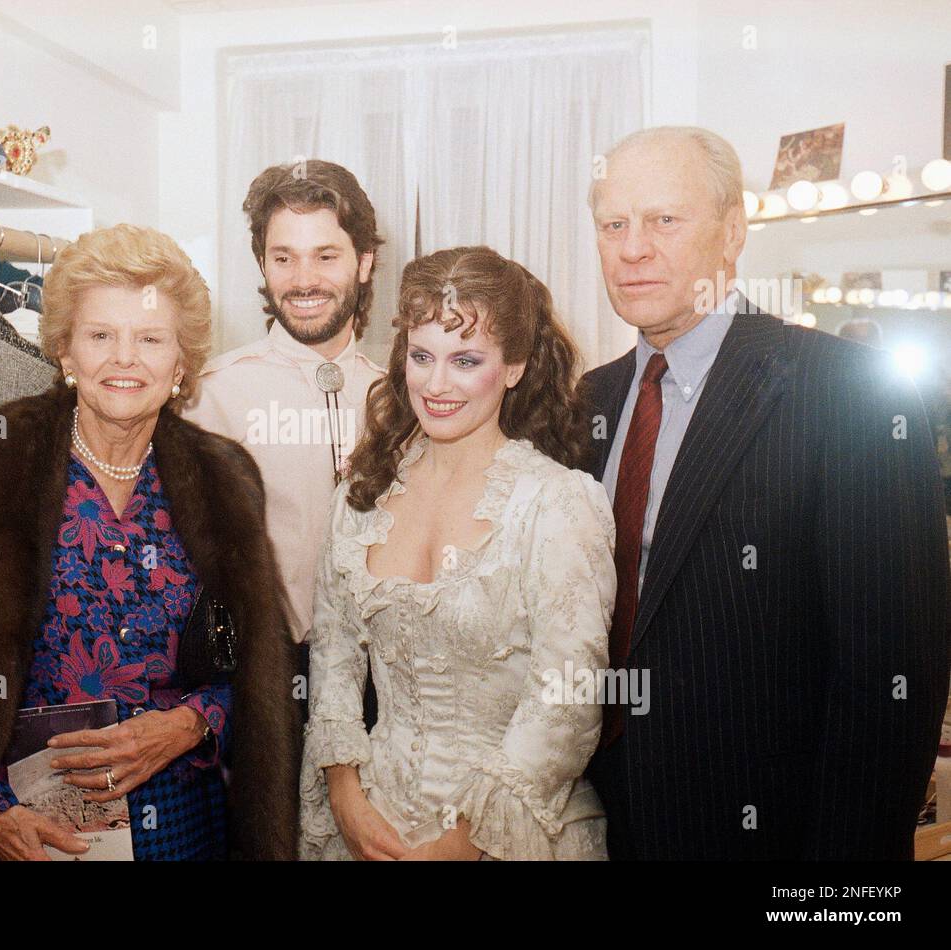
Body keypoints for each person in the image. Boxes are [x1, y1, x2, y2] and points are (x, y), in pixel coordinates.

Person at [0, 224, 300, 861]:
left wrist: (189, 723)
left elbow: (262, 673)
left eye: (150, 339)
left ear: (181, 363)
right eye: (101, 336)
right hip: (29, 838)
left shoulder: (226, 481)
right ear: (66, 352)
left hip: (186, 831)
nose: (125, 359)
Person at [580, 125, 950, 860]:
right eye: (614, 224)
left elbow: (889, 677)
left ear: (733, 232)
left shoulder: (848, 393)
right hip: (596, 820)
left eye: (664, 219)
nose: (633, 247)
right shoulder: (589, 401)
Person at [300, 246, 615, 860]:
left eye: (466, 360)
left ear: (516, 366)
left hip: (512, 833)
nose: (436, 385)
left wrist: (460, 844)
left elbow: (566, 698)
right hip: (369, 828)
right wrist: (344, 793)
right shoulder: (363, 492)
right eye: (422, 356)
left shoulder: (557, 502)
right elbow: (333, 658)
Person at [182, 159, 386, 647]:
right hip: (264, 685)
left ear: (363, 263)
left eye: (325, 256)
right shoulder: (209, 397)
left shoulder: (405, 396)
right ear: (262, 265)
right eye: (284, 258)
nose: (303, 280)